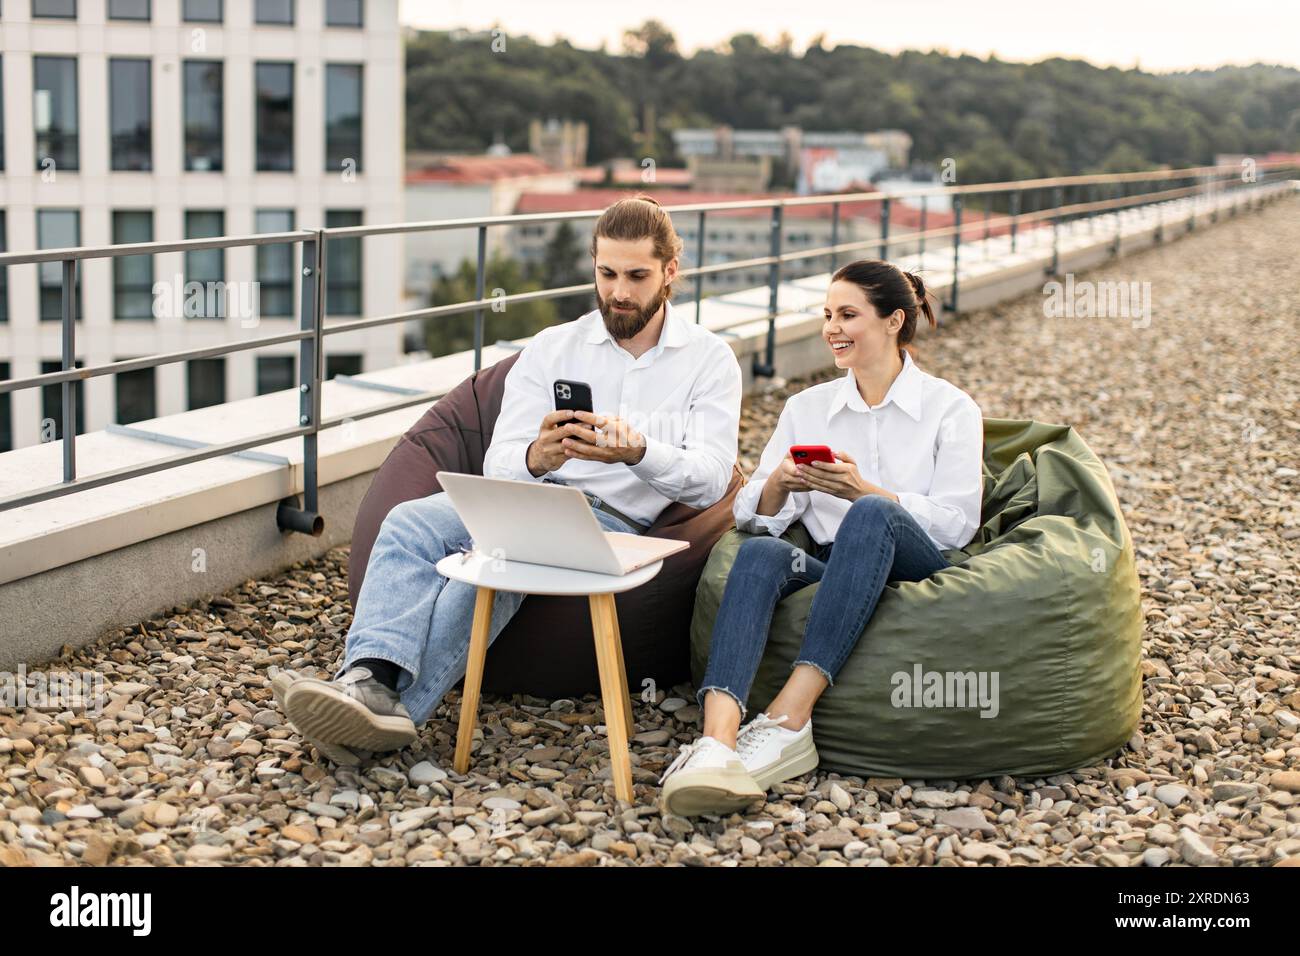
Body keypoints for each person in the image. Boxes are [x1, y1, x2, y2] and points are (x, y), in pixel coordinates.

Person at [279, 196, 743, 764]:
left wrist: (639, 452)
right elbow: (498, 461)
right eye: (607, 273)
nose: (619, 292)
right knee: (406, 520)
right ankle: (365, 676)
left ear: (671, 273)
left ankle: (393, 712)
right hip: (531, 497)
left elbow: (713, 479)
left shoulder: (709, 360)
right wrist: (537, 457)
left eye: (637, 276)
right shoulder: (554, 347)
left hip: (613, 523)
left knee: (495, 563)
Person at [657, 258, 984, 817]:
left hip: (918, 559)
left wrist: (864, 491)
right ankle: (718, 740)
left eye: (848, 314)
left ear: (893, 321)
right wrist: (779, 487)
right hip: (839, 568)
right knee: (760, 553)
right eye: (827, 314)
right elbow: (750, 518)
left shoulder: (951, 409)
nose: (831, 327)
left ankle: (790, 719)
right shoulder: (807, 408)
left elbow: (958, 523)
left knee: (871, 516)